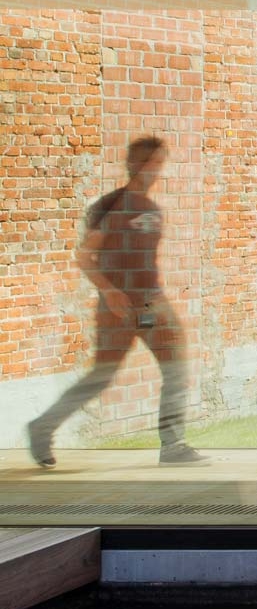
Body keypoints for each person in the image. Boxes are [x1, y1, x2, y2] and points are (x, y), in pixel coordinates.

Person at [27, 137, 205, 467]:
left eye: (160, 163)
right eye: (152, 163)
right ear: (135, 164)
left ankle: (174, 445)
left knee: (177, 367)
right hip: (117, 307)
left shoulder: (152, 209)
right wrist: (110, 292)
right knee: (102, 377)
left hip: (153, 302)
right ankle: (41, 428)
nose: (157, 170)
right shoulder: (110, 206)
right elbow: (85, 257)